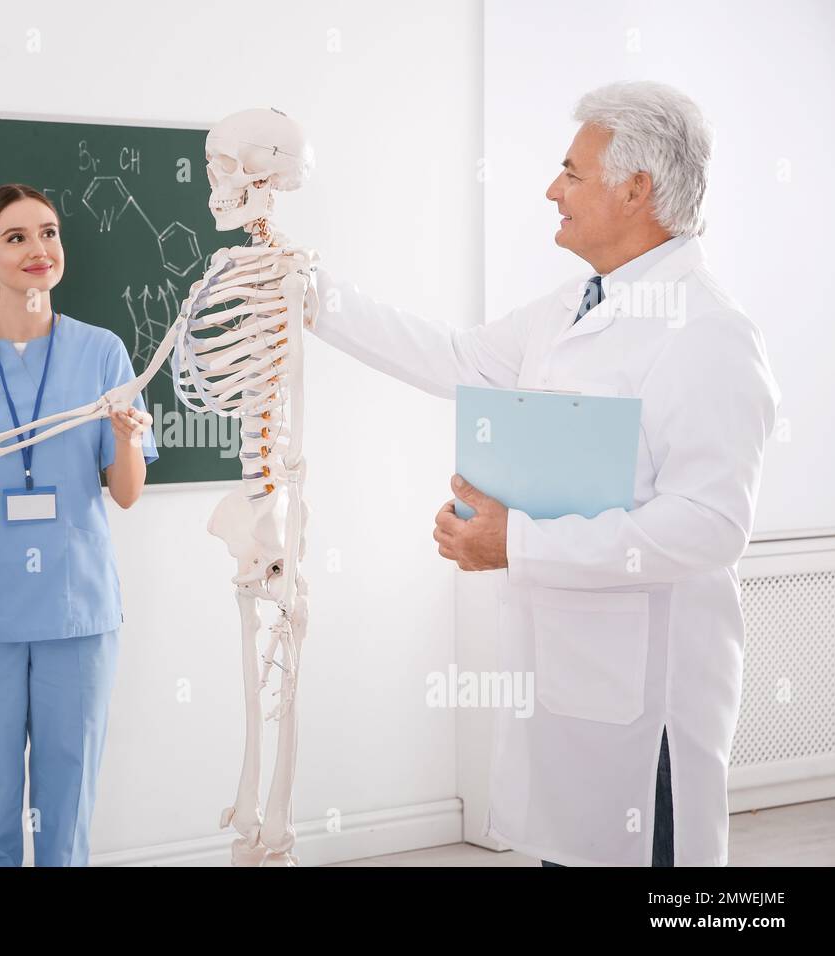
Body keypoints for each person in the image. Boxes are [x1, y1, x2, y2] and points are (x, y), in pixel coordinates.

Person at [308, 81, 781, 866]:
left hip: (649, 711)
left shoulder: (710, 332)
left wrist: (515, 542)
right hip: (569, 681)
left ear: (636, 189)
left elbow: (710, 528)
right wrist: (314, 297)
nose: (551, 189)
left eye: (571, 172)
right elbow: (457, 358)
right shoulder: (573, 307)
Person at [0, 183, 158, 866]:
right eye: (15, 238)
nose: (38, 250)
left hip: (75, 615)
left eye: (48, 233)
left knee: (66, 813)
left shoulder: (102, 352)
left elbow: (126, 494)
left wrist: (128, 437)